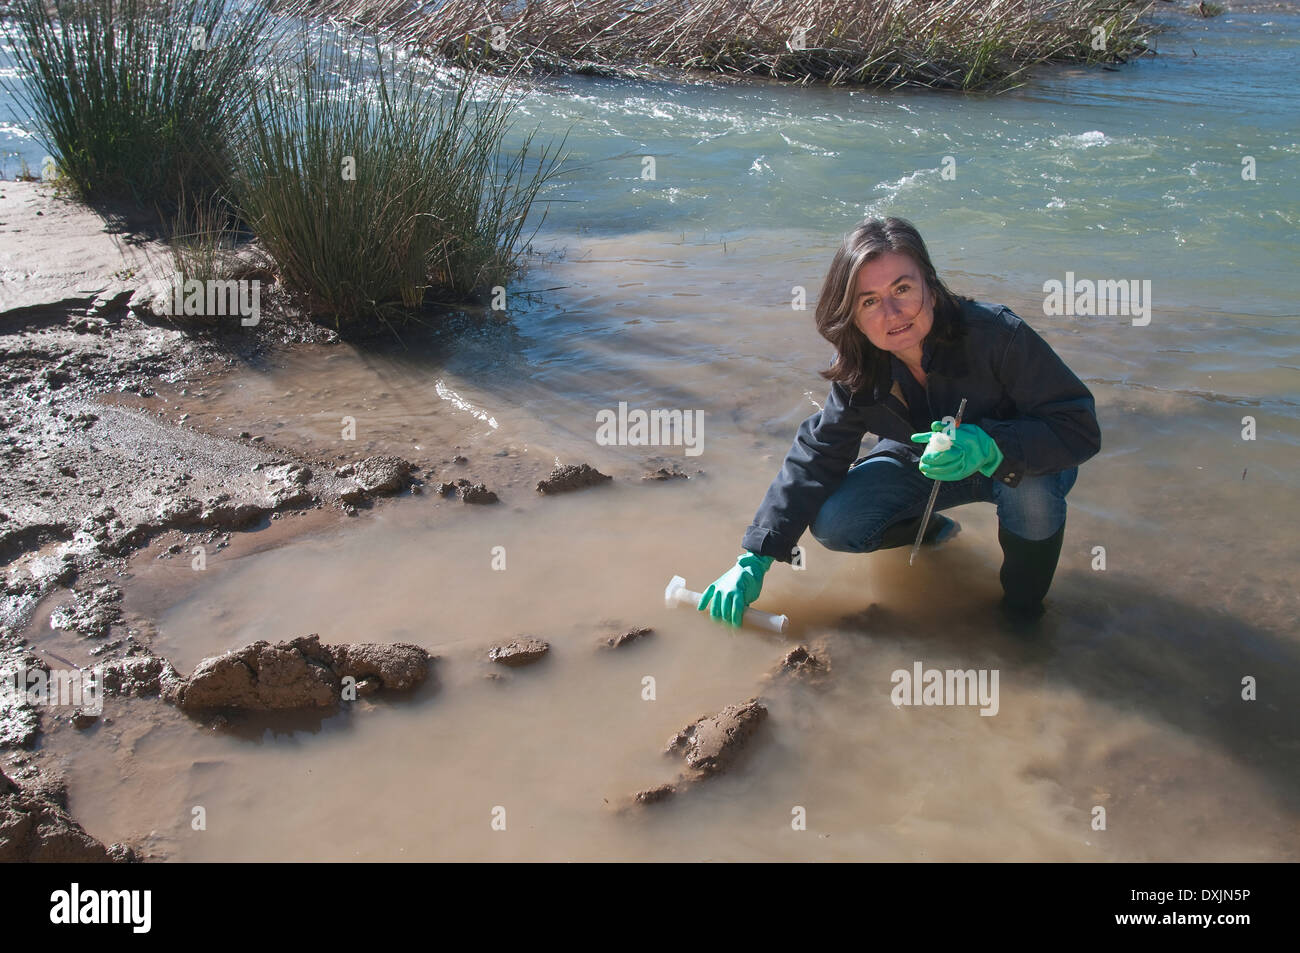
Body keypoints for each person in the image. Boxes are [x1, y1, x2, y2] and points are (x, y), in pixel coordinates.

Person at [697, 216, 1101, 626]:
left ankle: (1023, 610)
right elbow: (819, 453)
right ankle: (931, 532)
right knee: (836, 522)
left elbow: (1078, 426)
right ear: (850, 313)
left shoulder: (998, 334)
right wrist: (755, 556)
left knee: (1031, 493)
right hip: (925, 461)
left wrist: (991, 446)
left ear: (930, 282)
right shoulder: (858, 367)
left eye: (902, 289)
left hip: (1022, 460)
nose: (892, 314)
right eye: (869, 300)